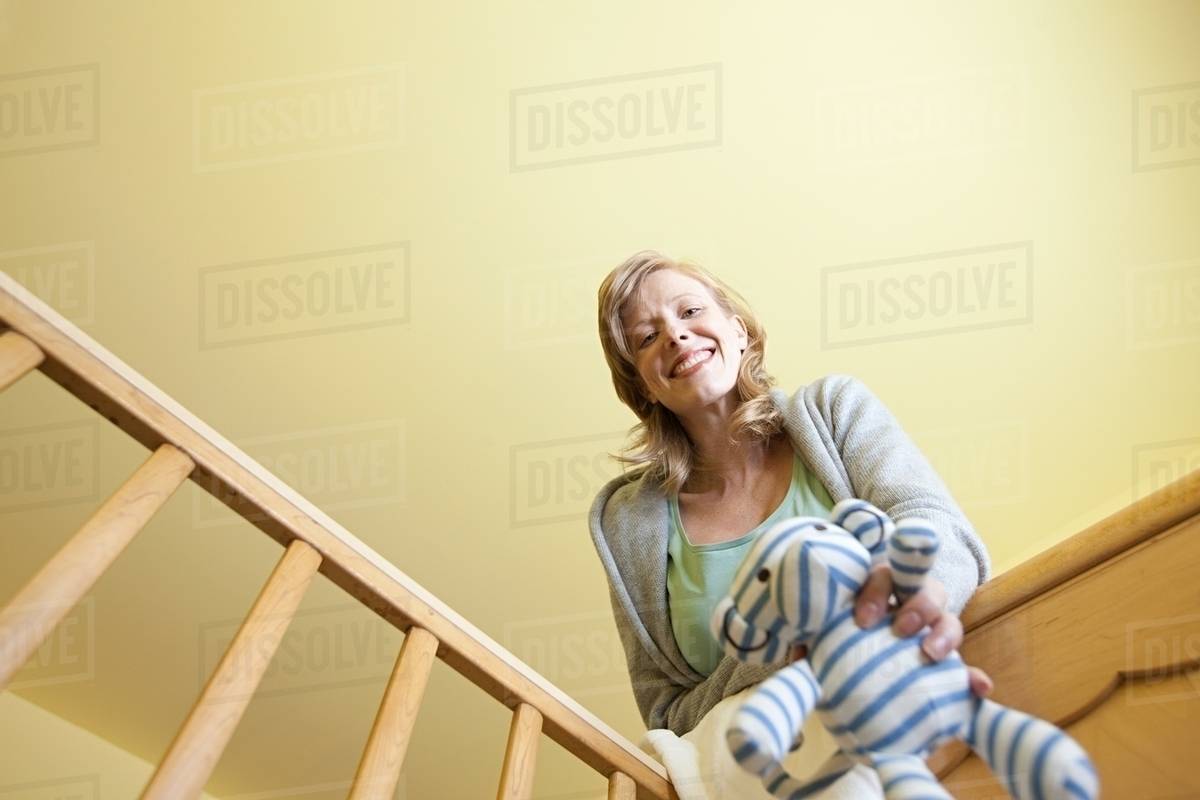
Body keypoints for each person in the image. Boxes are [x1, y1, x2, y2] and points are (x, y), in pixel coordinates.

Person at [587, 249, 994, 742]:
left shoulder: (835, 409)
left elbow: (937, 528)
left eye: (690, 311)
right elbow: (668, 715)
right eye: (647, 338)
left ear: (739, 331)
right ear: (643, 386)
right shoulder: (629, 524)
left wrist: (914, 597)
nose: (675, 335)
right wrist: (805, 640)